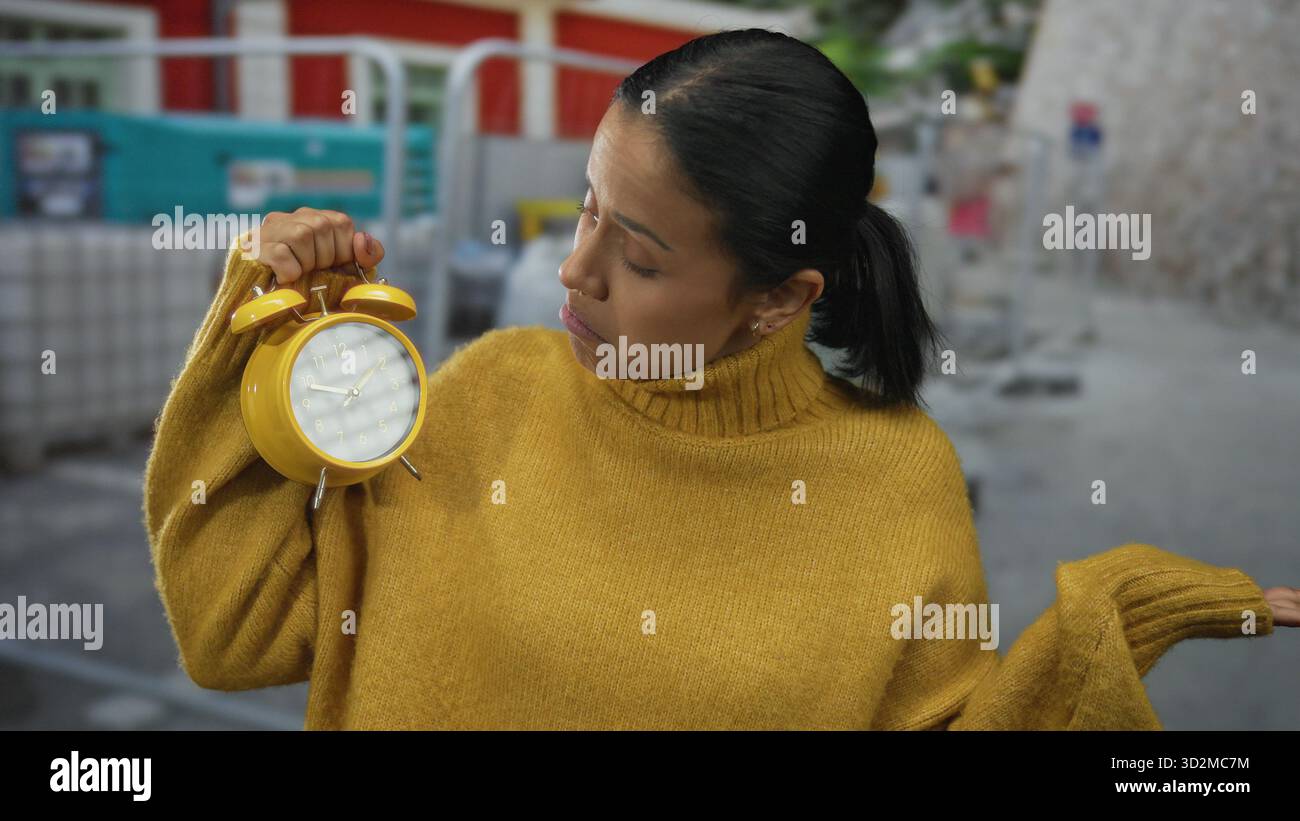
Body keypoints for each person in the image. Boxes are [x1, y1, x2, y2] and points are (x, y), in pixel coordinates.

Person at [142, 29, 1298, 730]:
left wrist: (1100, 628)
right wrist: (266, 338)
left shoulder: (896, 482)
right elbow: (234, 633)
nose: (575, 269)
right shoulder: (492, 390)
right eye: (585, 204)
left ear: (781, 297)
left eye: (637, 253)